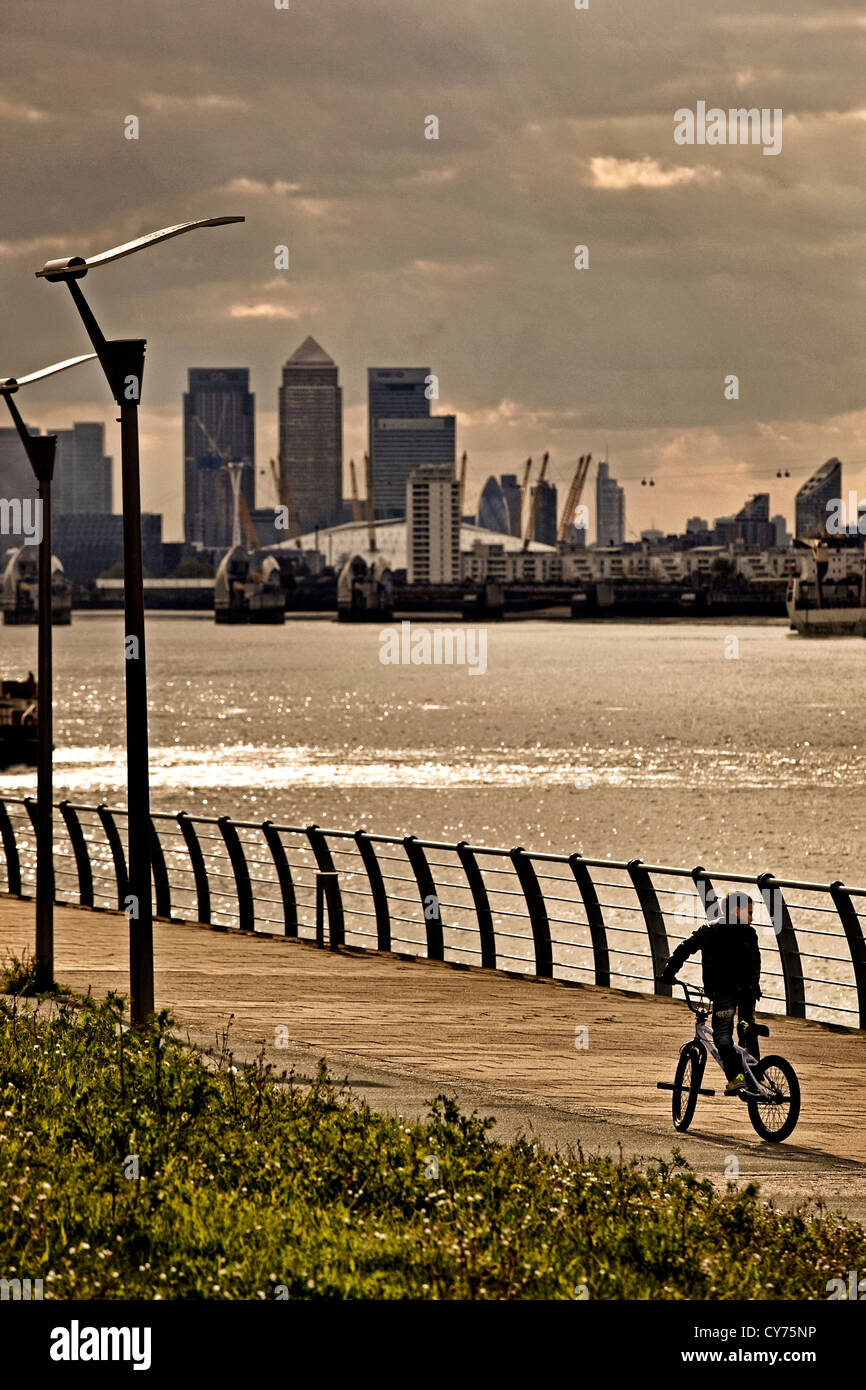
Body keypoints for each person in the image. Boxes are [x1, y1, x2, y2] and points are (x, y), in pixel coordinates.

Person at [661, 890, 762, 1094]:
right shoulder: (749, 934)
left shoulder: (709, 931)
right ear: (735, 911)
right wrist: (753, 986)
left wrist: (669, 973)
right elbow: (755, 963)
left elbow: (684, 948)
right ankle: (756, 1075)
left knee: (722, 1037)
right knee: (747, 1032)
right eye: (749, 913)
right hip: (747, 992)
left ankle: (737, 1078)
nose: (752, 918)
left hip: (723, 992)